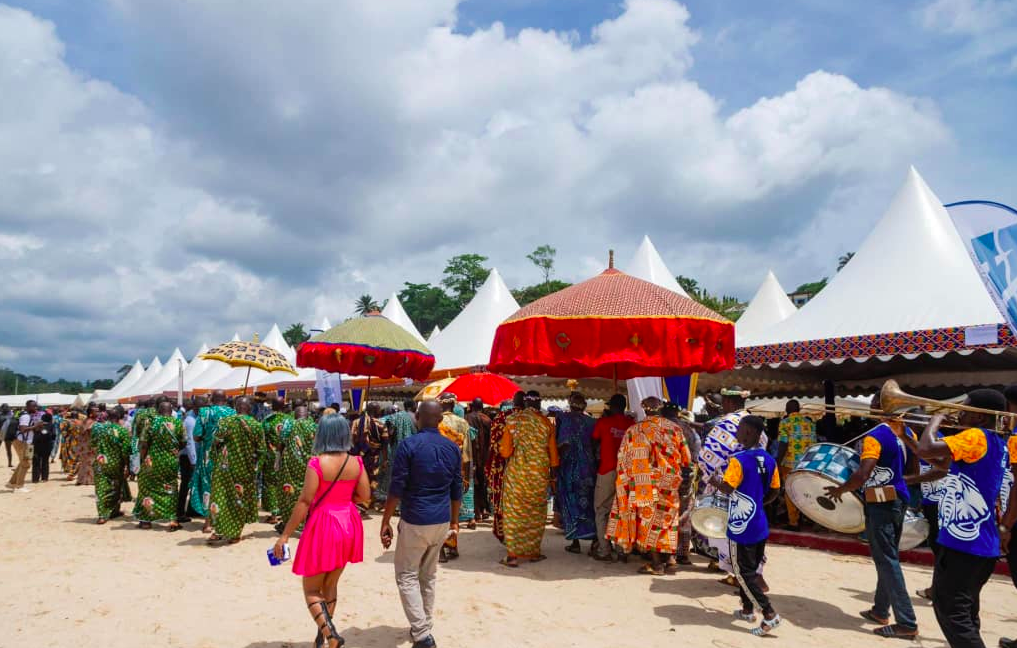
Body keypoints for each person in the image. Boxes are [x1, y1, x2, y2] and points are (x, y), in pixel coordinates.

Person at [915, 389, 1013, 648]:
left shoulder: (975, 436)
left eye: (965, 409)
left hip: (965, 544)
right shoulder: (994, 442)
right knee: (966, 612)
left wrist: (934, 420)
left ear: (980, 418)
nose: (959, 413)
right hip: (979, 545)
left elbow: (926, 448)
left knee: (951, 611)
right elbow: (940, 464)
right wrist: (904, 435)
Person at [824, 393, 918, 640]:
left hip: (881, 504)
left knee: (886, 559)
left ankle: (906, 622)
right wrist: (896, 484)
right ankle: (880, 610)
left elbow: (862, 475)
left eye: (875, 405)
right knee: (888, 557)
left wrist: (840, 489)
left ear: (879, 407)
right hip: (899, 498)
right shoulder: (907, 433)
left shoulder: (875, 437)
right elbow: (914, 471)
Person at [274, 414, 369, 648]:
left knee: (311, 588)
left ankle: (331, 636)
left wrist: (285, 535)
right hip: (348, 522)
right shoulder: (356, 462)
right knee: (331, 583)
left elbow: (304, 501)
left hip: (325, 523)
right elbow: (365, 496)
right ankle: (323, 633)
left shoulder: (317, 463)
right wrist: (345, 498)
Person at [380, 401, 463, 648]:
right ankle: (424, 626)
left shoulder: (409, 445)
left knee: (406, 575)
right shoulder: (452, 448)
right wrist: (455, 522)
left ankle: (422, 633)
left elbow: (396, 488)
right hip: (441, 520)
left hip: (416, 517)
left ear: (417, 417)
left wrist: (385, 520)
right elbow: (457, 488)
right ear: (440, 420)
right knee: (428, 575)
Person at [710, 415, 782, 637]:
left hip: (742, 525)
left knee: (742, 572)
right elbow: (775, 490)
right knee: (749, 568)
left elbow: (728, 488)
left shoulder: (738, 460)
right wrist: (759, 502)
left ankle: (769, 614)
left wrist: (715, 482)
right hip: (759, 522)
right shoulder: (770, 459)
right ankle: (747, 610)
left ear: (749, 432)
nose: (737, 434)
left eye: (739, 430)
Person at [607, 397, 690, 575]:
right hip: (670, 483)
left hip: (647, 484)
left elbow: (623, 460)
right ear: (660, 409)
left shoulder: (634, 430)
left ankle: (656, 564)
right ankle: (670, 559)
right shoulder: (675, 429)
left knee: (650, 524)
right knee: (667, 521)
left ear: (644, 410)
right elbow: (687, 458)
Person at [698, 386, 767, 582]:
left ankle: (741, 575)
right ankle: (742, 573)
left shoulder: (727, 423)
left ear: (728, 402)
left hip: (728, 484)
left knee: (729, 530)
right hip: (752, 484)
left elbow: (707, 457)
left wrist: (709, 478)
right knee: (745, 528)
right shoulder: (756, 422)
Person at [498, 391, 558, 567]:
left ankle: (512, 555)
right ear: (539, 404)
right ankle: (533, 552)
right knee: (535, 513)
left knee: (513, 513)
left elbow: (505, 452)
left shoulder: (512, 421)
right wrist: (553, 478)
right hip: (539, 475)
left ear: (524, 404)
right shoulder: (546, 423)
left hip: (516, 475)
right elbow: (554, 457)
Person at [208, 396, 265, 544]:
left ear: (236, 407)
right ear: (250, 409)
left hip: (224, 467)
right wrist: (256, 468)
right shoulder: (256, 425)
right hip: (245, 469)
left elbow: (216, 442)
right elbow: (261, 451)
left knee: (221, 497)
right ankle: (234, 533)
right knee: (239, 500)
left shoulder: (226, 422)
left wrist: (215, 458)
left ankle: (219, 530)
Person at [590, 394, 635, 561]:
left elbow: (594, 441)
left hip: (606, 470)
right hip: (626, 472)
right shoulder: (631, 424)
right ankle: (622, 549)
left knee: (602, 510)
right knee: (622, 510)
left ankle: (604, 550)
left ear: (613, 406)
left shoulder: (603, 423)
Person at [134, 399, 187, 531]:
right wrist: (174, 450)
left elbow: (144, 443)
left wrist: (143, 457)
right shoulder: (178, 423)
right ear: (171, 411)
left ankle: (146, 520)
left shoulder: (151, 422)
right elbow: (184, 442)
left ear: (158, 410)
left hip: (152, 462)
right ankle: (172, 520)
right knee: (171, 489)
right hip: (171, 461)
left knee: (148, 488)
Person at [555, 392, 597, 554]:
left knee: (571, 502)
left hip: (570, 468)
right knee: (590, 503)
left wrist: (558, 459)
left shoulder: (565, 419)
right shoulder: (592, 422)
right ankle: (594, 540)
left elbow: (562, 443)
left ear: (570, 404)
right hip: (589, 467)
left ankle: (575, 542)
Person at [191, 390, 235, 533]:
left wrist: (208, 437)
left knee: (207, 486)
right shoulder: (233, 413)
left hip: (208, 457)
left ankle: (208, 523)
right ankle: (224, 520)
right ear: (225, 399)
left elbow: (196, 436)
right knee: (225, 486)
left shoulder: (204, 412)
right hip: (227, 456)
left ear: (212, 399)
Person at [662, 402, 700, 566]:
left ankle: (668, 554)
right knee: (684, 513)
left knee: (666, 514)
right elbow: (696, 453)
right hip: (687, 475)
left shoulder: (661, 428)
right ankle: (683, 554)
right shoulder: (690, 429)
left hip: (666, 477)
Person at [437, 393, 472, 562]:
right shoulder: (463, 423)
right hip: (456, 470)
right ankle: (453, 545)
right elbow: (466, 454)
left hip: (437, 470)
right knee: (454, 512)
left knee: (440, 509)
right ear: (454, 405)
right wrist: (466, 476)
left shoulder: (435, 422)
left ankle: (441, 550)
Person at [487, 392, 524, 544]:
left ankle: (505, 535)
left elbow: (495, 446)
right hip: (526, 469)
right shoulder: (533, 420)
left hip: (502, 468)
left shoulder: (501, 418)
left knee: (503, 502)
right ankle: (522, 537)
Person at [277, 404, 319, 532]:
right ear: (307, 416)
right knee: (306, 493)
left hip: (290, 464)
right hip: (309, 465)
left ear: (295, 415)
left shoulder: (289, 425)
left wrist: (277, 459)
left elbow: (281, 443)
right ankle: (304, 523)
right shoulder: (314, 426)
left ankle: (289, 522)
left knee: (287, 493)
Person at [775, 399, 816, 531]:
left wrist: (777, 461)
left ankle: (794, 522)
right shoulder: (809, 423)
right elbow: (814, 444)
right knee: (806, 491)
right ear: (798, 409)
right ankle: (809, 518)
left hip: (789, 463)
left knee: (791, 492)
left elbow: (783, 443)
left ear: (787, 410)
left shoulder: (785, 423)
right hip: (807, 463)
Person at [92, 406, 132, 524]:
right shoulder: (122, 431)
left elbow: (93, 444)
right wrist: (128, 466)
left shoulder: (98, 429)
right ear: (119, 417)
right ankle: (113, 510)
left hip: (100, 462)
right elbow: (125, 451)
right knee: (115, 488)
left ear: (108, 417)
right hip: (116, 464)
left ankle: (102, 515)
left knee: (101, 488)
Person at [378, 400, 418, 503]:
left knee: (397, 478)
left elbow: (382, 422)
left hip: (399, 451)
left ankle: (394, 502)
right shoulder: (419, 418)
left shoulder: (397, 416)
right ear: (413, 406)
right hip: (416, 451)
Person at [262, 398, 293, 525]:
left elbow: (262, 438)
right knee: (284, 481)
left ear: (272, 406)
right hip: (286, 455)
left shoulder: (267, 420)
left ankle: (274, 513)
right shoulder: (289, 420)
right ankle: (284, 510)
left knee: (271, 483)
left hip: (271, 456)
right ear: (283, 406)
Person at [351, 402, 387, 507]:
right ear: (376, 411)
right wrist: (385, 460)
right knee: (372, 480)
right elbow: (385, 445)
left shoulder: (356, 422)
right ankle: (365, 503)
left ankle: (359, 502)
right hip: (374, 459)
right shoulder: (380, 425)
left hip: (358, 457)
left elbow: (352, 440)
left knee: (358, 479)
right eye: (379, 409)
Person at [465, 398, 492, 524]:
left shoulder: (467, 418)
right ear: (482, 407)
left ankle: (476, 513)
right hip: (485, 457)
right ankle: (483, 509)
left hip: (471, 456)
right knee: (483, 483)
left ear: (472, 406)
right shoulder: (487, 420)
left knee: (473, 484)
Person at [6, 400, 41, 492]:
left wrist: (36, 427)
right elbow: (23, 429)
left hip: (28, 442)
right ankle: (19, 486)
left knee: (23, 462)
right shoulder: (25, 416)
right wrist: (35, 426)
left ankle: (12, 483)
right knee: (25, 463)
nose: (36, 408)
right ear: (29, 406)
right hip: (22, 442)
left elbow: (28, 429)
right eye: (34, 406)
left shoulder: (29, 416)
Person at [177, 398, 200, 524]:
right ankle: (180, 512)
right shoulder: (190, 421)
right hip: (188, 457)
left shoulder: (194, 417)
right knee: (186, 485)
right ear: (196, 407)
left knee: (194, 484)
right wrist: (193, 462)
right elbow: (190, 443)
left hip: (192, 456)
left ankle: (192, 509)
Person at [32, 412, 56, 483]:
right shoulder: (51, 425)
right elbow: (54, 436)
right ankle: (44, 478)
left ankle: (35, 479)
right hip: (47, 445)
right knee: (45, 461)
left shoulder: (36, 424)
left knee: (36, 462)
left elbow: (33, 432)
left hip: (36, 445)